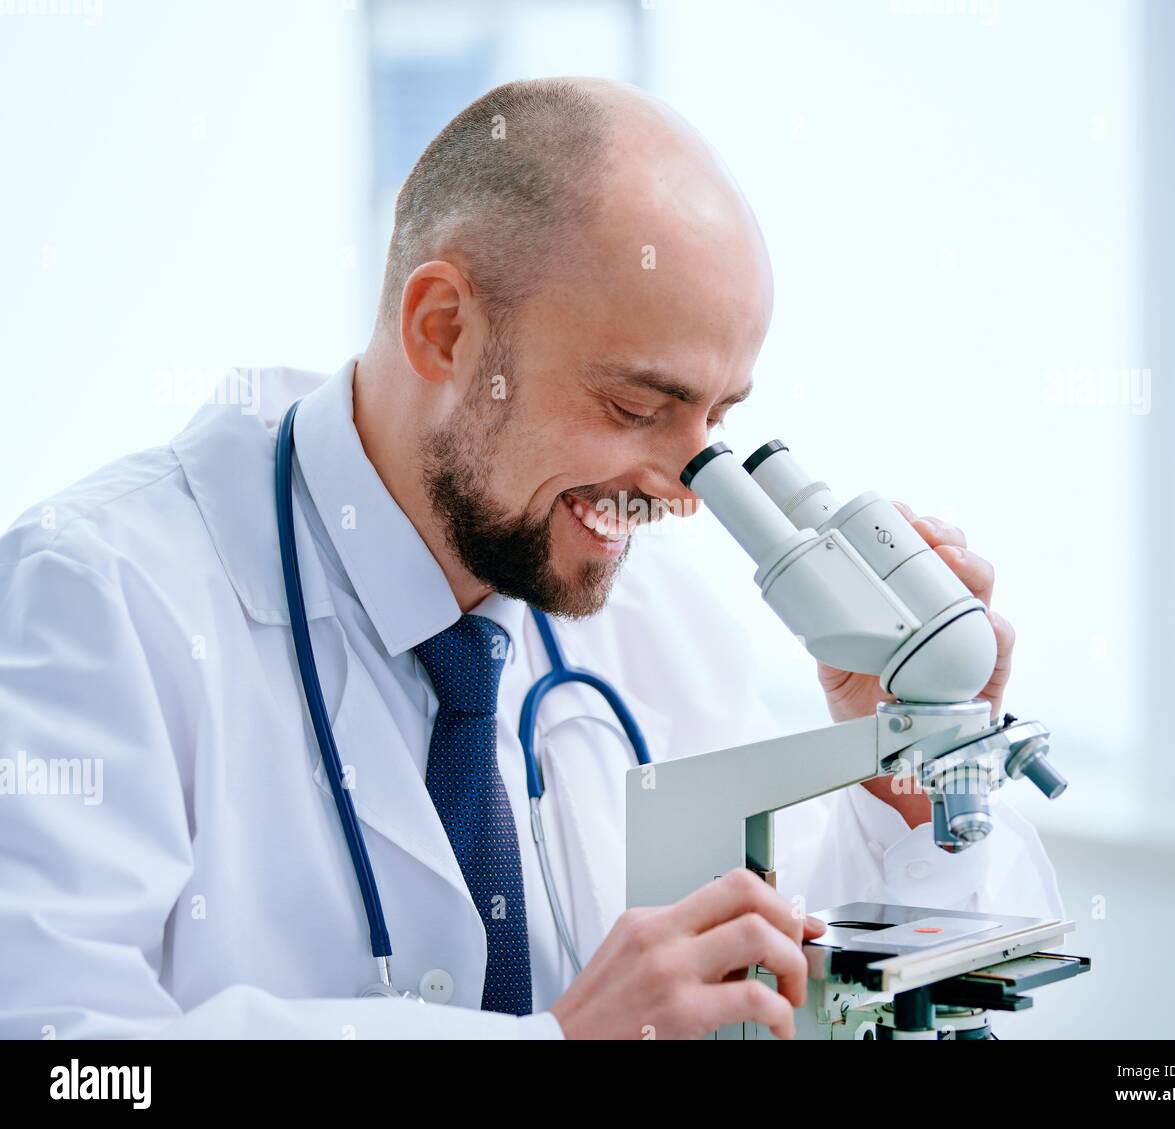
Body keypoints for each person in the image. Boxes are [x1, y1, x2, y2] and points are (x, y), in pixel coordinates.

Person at [0, 77, 1061, 1040]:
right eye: (637, 406)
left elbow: (801, 960)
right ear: (443, 328)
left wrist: (901, 779)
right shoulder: (97, 595)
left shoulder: (660, 629)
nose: (683, 485)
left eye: (715, 425)